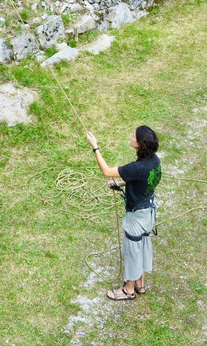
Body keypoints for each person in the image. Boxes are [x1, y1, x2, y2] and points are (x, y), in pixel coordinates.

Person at [86, 126, 162, 300]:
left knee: (133, 250)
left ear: (140, 143)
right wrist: (120, 184)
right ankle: (140, 283)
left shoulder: (136, 167)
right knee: (143, 244)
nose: (131, 136)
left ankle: (128, 290)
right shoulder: (154, 161)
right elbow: (143, 180)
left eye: (134, 136)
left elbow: (106, 171)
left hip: (137, 215)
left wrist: (95, 147)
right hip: (148, 212)